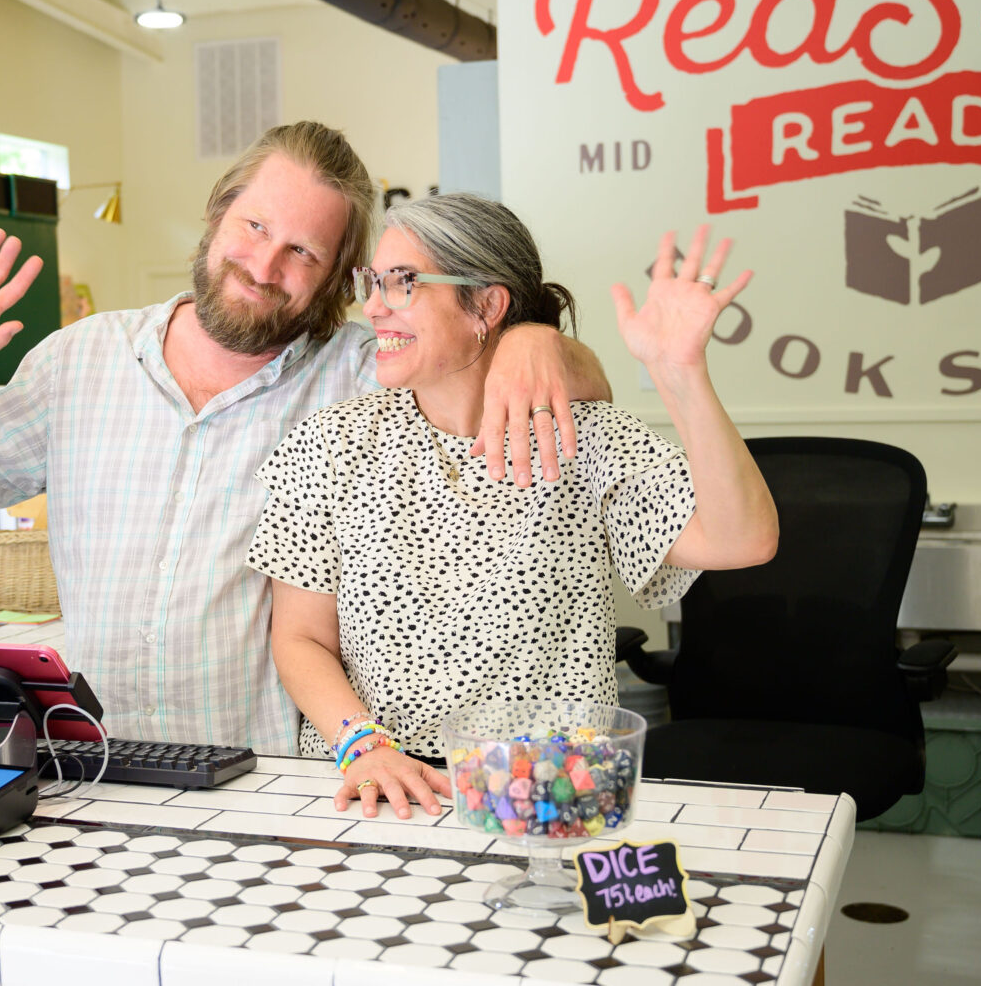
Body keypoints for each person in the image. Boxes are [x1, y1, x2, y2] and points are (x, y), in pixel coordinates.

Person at [0, 123, 612, 755]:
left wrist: (536, 341)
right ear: (217, 215)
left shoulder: (368, 373)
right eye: (256, 227)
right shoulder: (79, 357)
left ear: (338, 276)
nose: (266, 267)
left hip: (269, 782)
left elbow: (572, 391)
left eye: (304, 252)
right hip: (97, 766)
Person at [247, 193, 779, 818]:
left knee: (563, 919)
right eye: (373, 282)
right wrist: (363, 745)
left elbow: (743, 539)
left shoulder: (585, 437)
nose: (373, 307)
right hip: (378, 784)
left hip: (556, 788)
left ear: (488, 306)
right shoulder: (330, 443)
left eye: (403, 283)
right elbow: (301, 636)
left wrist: (681, 371)